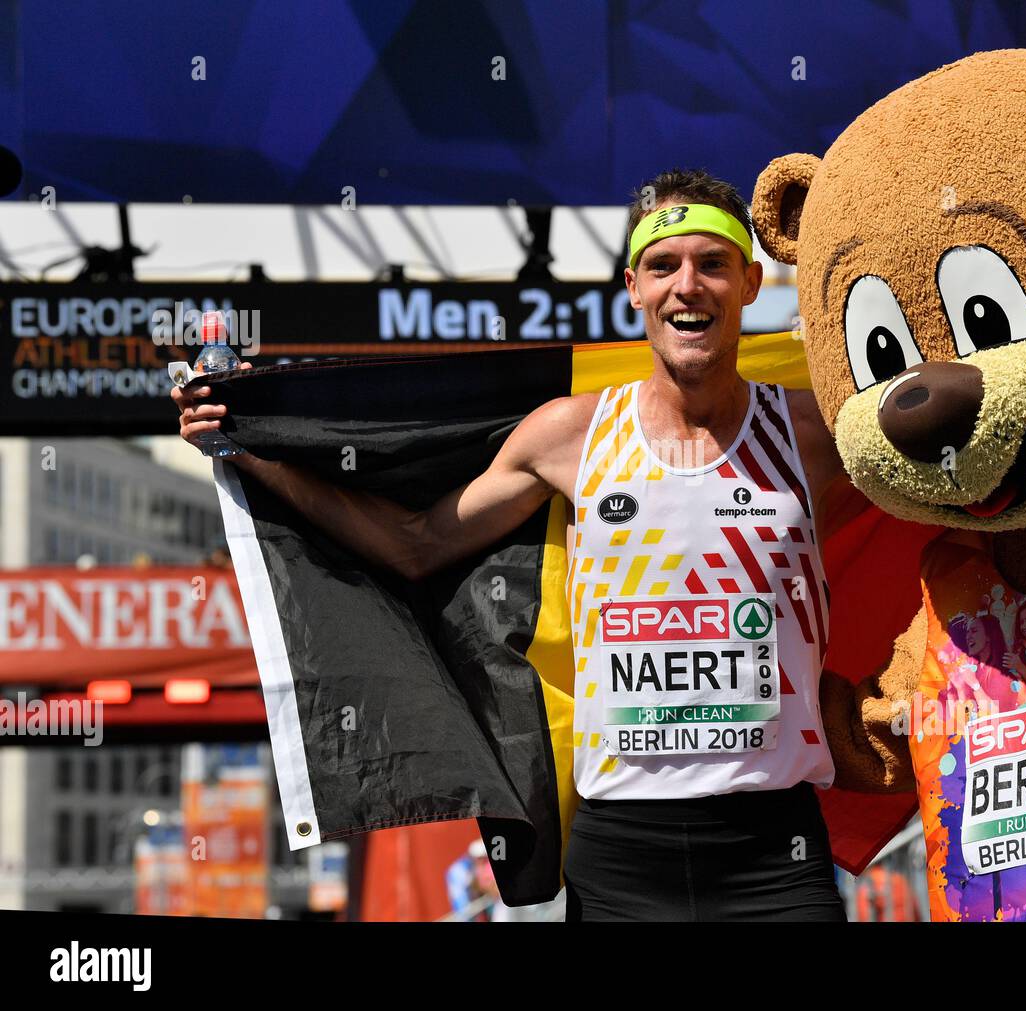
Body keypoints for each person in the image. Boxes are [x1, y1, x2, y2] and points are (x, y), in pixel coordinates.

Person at [174, 168, 857, 922]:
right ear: (634, 286)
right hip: (620, 858)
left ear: (753, 282)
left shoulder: (819, 432)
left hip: (776, 854)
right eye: (664, 266)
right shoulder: (570, 433)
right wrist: (257, 454)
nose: (687, 286)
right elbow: (417, 544)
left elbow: (958, 463)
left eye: (712, 264)